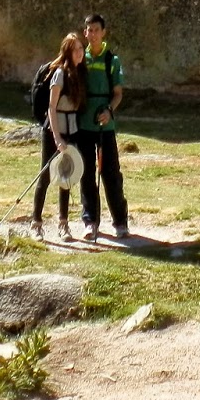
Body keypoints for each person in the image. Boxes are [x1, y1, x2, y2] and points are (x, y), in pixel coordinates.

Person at [76, 12, 128, 240]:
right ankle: (90, 221)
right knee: (86, 174)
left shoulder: (112, 60)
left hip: (105, 127)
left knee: (110, 173)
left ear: (103, 32)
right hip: (84, 125)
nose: (93, 34)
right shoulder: (81, 58)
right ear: (85, 32)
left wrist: (109, 111)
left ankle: (120, 221)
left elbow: (118, 94)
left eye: (97, 30)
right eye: (89, 30)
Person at [31, 31, 85, 240]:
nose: (80, 53)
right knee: (45, 176)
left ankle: (64, 224)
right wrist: (57, 138)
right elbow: (51, 108)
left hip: (71, 130)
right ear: (68, 52)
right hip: (55, 130)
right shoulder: (60, 74)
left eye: (81, 48)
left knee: (66, 176)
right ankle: (36, 223)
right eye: (76, 49)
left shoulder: (79, 73)